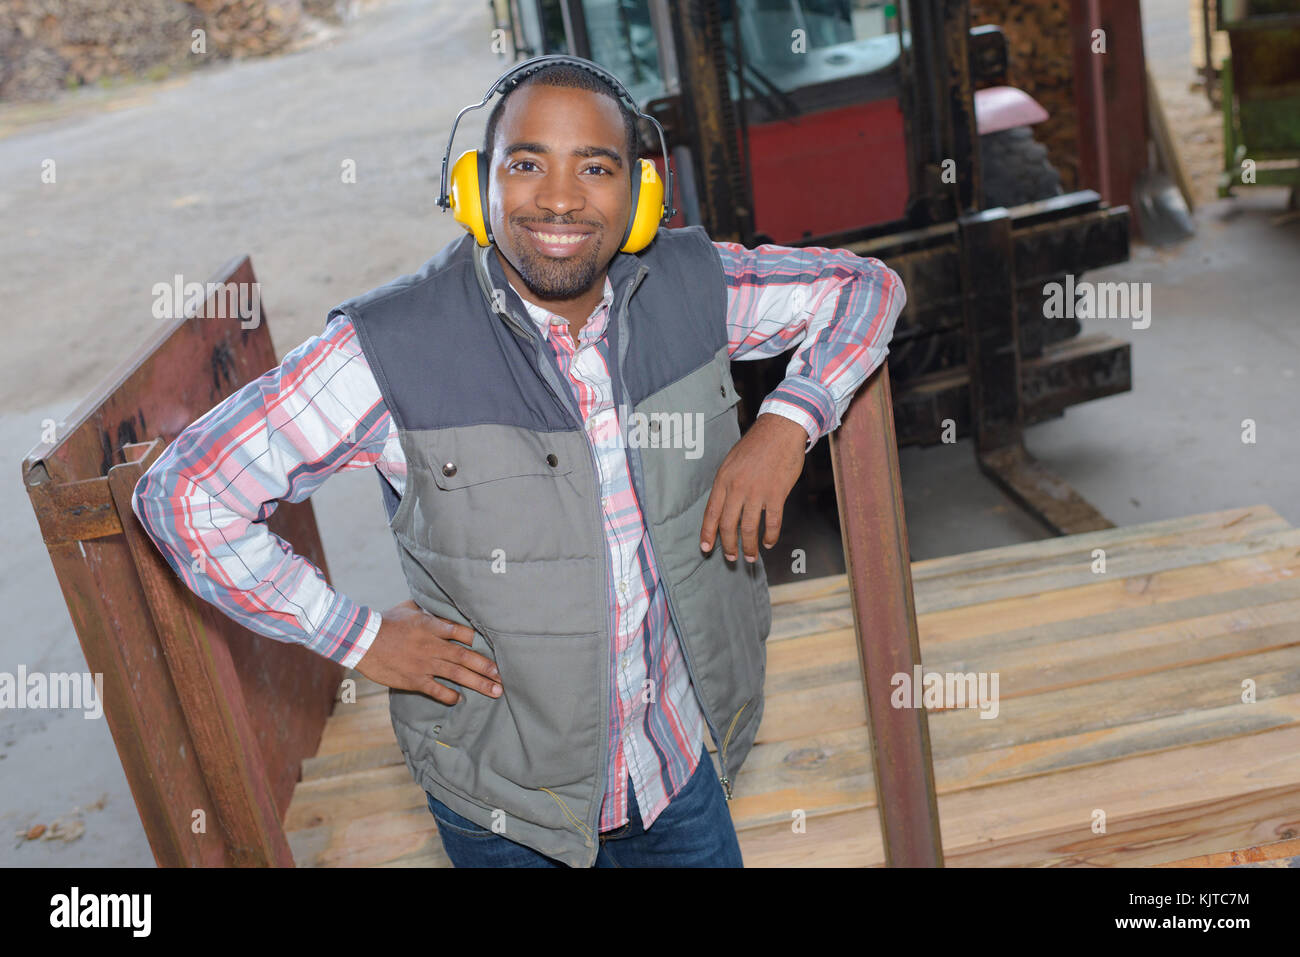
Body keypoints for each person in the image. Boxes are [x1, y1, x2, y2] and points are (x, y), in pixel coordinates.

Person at [131, 57, 905, 868]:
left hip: (675, 770)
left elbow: (867, 289)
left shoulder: (693, 286)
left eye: (595, 168)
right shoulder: (391, 348)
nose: (562, 198)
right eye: (527, 163)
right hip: (506, 816)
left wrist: (788, 420)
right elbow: (186, 495)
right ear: (476, 186)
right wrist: (355, 638)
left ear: (641, 194)